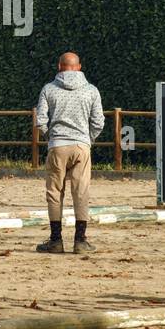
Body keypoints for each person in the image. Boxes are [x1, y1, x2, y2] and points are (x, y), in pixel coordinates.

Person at [33, 52, 105, 254]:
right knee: (81, 192)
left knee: (54, 193)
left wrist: (52, 138)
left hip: (57, 145)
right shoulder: (91, 90)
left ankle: (56, 240)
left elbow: (40, 120)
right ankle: (80, 240)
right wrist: (87, 140)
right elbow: (99, 122)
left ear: (59, 66)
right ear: (79, 67)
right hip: (81, 146)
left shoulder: (49, 89)